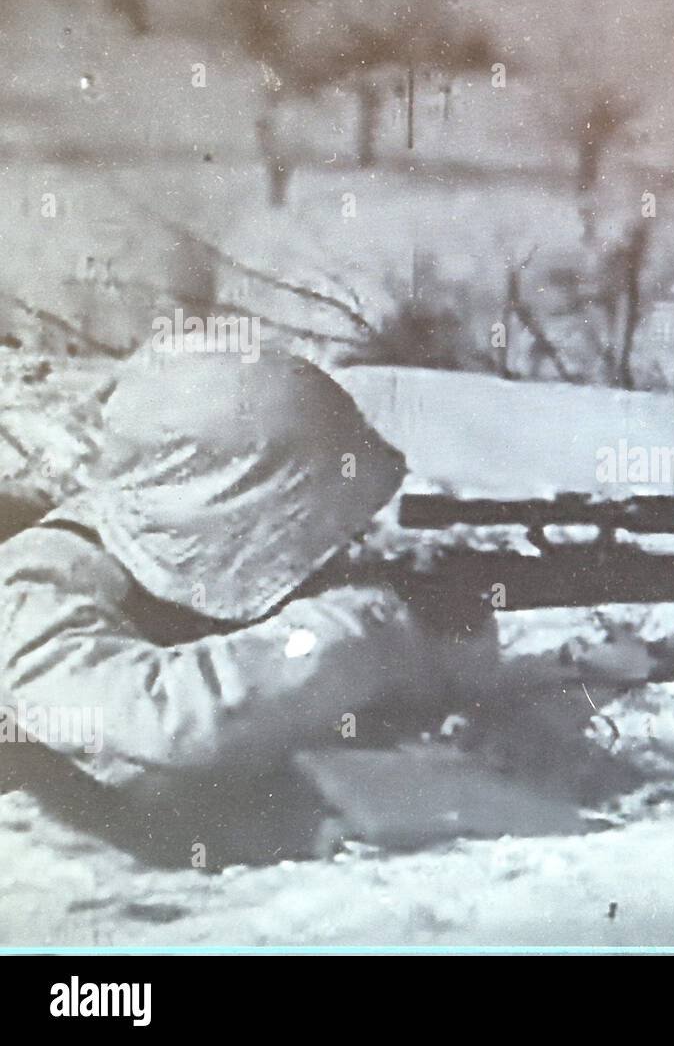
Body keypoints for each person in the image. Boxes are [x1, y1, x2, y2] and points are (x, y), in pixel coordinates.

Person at [0, 349, 496, 862]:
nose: (330, 548)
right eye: (303, 521)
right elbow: (170, 720)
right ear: (231, 503)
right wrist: (364, 626)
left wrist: (448, 637)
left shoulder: (204, 562)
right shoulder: (35, 584)